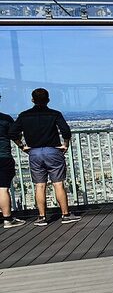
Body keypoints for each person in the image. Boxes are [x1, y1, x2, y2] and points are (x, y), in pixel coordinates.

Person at [10, 88, 81, 226]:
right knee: (58, 183)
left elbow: (12, 132)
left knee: (39, 185)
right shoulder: (54, 114)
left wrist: (22, 146)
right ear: (48, 100)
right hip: (52, 151)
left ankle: (42, 217)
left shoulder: (24, 115)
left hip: (34, 152)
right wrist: (65, 144)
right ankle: (65, 215)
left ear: (32, 100)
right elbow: (66, 130)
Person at [0, 95, 26, 229]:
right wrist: (21, 146)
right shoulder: (5, 119)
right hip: (4, 156)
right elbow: (15, 134)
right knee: (3, 188)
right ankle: (7, 219)